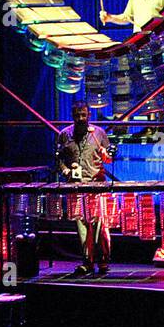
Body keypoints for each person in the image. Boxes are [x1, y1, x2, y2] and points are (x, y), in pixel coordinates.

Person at [56, 103, 116, 278]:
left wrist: (107, 155)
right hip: (76, 185)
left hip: (97, 184)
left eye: (83, 115)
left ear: (89, 115)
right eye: (77, 115)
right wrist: (65, 170)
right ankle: (87, 262)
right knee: (82, 226)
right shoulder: (64, 135)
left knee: (100, 224)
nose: (80, 118)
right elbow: (58, 158)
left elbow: (109, 159)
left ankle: (103, 261)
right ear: (72, 116)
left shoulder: (99, 134)